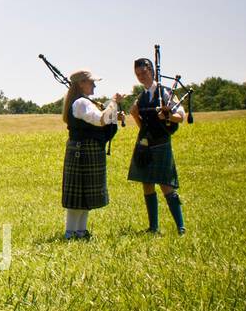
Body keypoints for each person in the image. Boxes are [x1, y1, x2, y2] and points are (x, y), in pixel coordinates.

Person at [60, 69, 123, 239]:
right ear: (81, 83)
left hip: (84, 150)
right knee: (78, 197)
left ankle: (80, 232)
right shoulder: (81, 103)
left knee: (84, 196)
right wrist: (114, 101)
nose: (94, 85)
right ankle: (70, 233)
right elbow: (101, 120)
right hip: (83, 151)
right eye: (91, 82)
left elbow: (98, 120)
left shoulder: (83, 102)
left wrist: (114, 113)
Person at [128, 57, 187, 235]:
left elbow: (181, 116)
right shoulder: (141, 97)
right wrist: (135, 116)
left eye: (144, 73)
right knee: (147, 184)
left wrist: (167, 116)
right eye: (138, 74)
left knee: (166, 185)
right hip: (145, 143)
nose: (141, 77)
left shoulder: (166, 92)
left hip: (161, 143)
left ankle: (181, 227)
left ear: (152, 71)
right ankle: (153, 228)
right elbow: (142, 126)